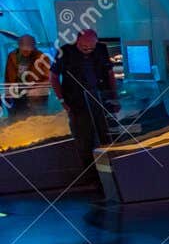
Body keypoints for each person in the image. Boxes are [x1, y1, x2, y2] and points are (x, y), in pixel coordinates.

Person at [51, 28, 119, 174]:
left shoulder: (101, 50)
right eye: (84, 47)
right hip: (76, 102)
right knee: (84, 138)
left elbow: (109, 73)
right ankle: (89, 173)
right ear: (77, 41)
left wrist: (114, 97)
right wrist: (62, 99)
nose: (88, 50)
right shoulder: (64, 52)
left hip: (101, 99)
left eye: (91, 47)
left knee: (105, 134)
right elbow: (54, 76)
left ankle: (111, 170)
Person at [3, 34, 52, 115]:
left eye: (28, 49)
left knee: (38, 118)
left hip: (36, 97)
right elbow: (7, 77)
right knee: (18, 117)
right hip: (17, 95)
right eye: (23, 49)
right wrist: (8, 92)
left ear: (33, 48)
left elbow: (48, 79)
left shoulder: (42, 57)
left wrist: (38, 90)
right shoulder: (12, 56)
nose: (26, 52)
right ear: (19, 47)